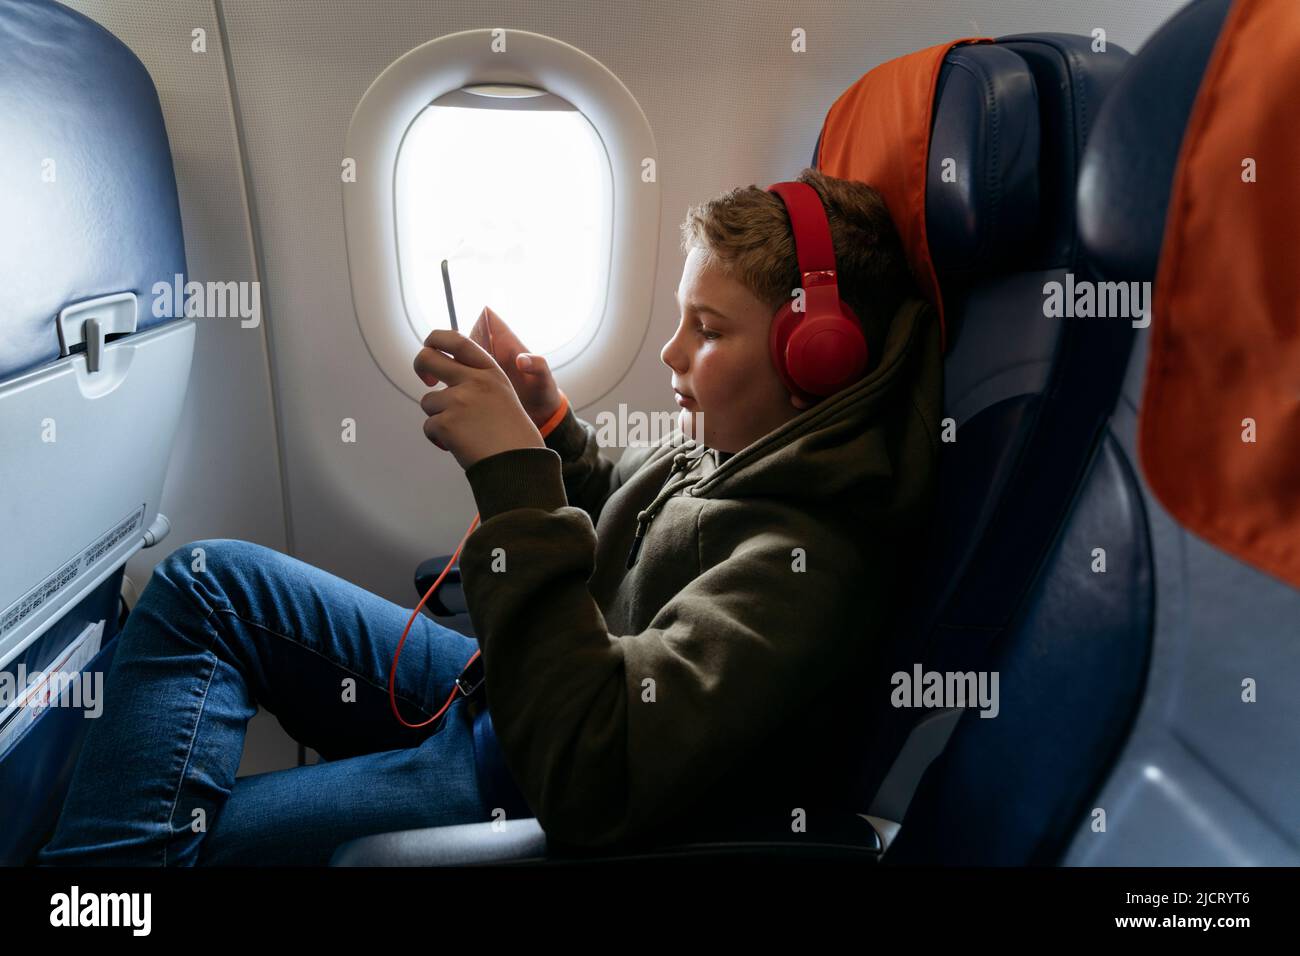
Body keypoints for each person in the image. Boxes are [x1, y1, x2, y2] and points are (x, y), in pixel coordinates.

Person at [35, 167, 941, 865]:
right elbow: (636, 515)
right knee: (210, 582)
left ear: (816, 353)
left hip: (529, 769)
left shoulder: (808, 562)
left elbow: (597, 766)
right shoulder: (742, 444)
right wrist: (551, 426)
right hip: (515, 687)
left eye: (706, 330)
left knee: (190, 850)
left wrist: (512, 477)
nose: (671, 352)